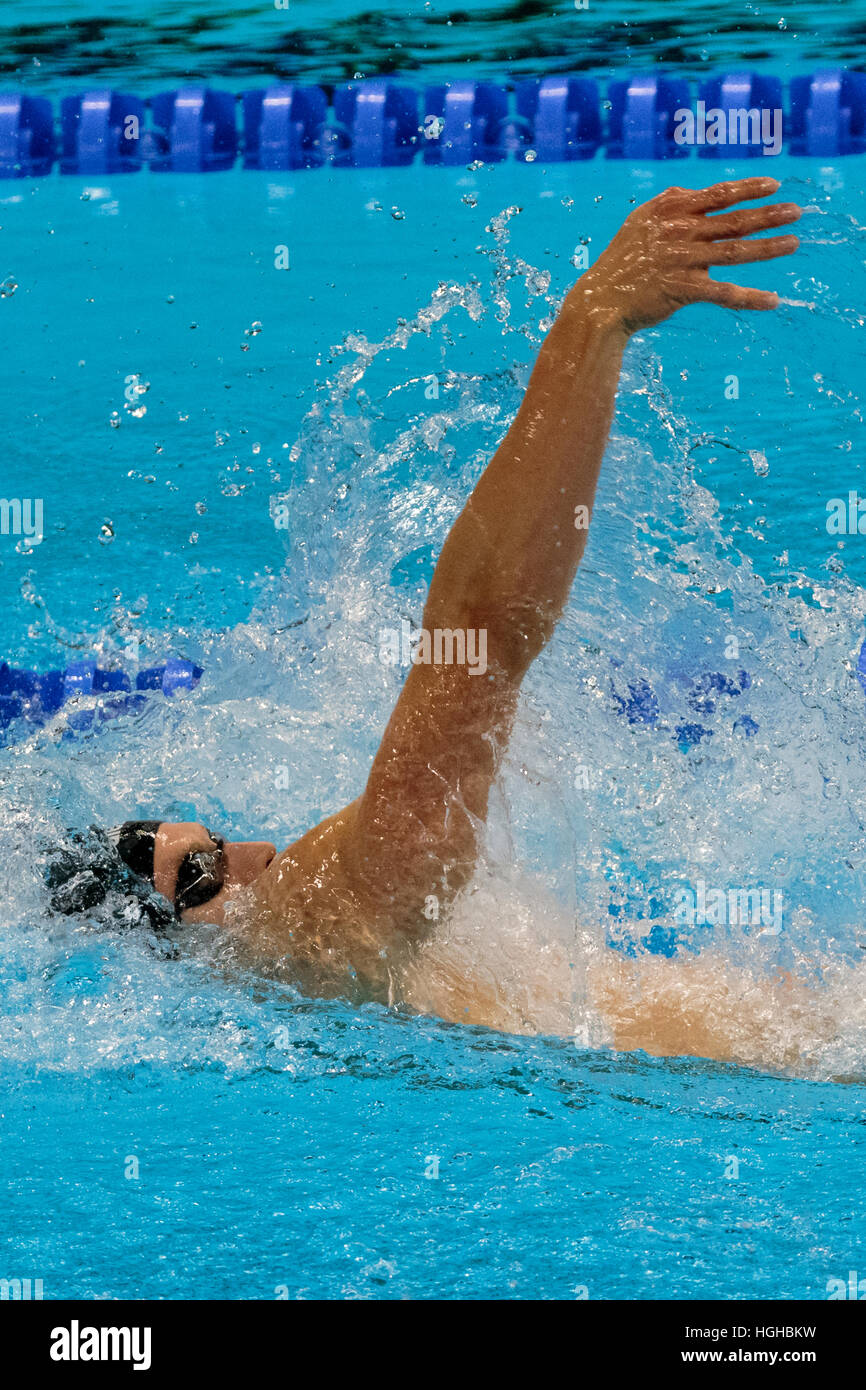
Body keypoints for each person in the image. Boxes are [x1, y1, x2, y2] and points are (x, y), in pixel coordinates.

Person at [49, 177, 810, 1063]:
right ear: (170, 942)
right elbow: (478, 645)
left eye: (217, 839)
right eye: (205, 872)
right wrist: (593, 321)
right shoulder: (298, 938)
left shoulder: (309, 976)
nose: (250, 851)